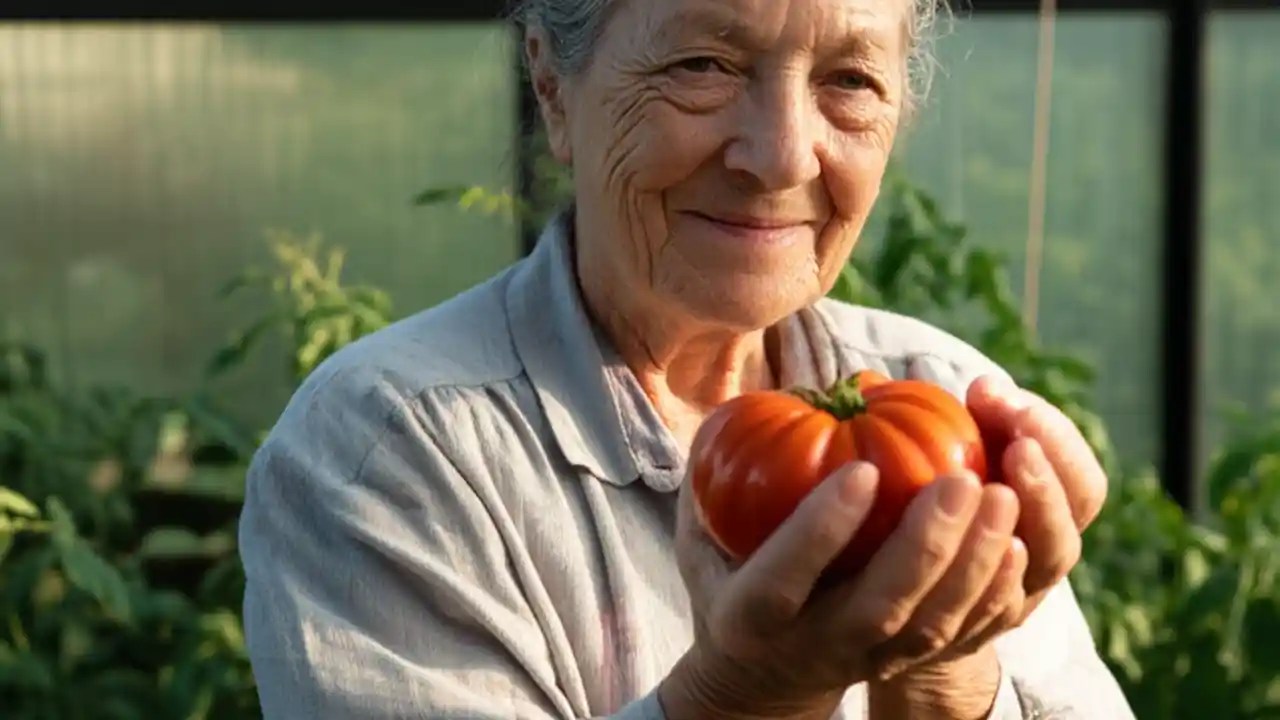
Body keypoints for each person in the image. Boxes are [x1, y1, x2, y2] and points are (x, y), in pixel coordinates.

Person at [238, 0, 1137, 717]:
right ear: (553, 86)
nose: (781, 156)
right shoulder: (394, 456)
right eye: (703, 66)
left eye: (850, 80)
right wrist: (744, 701)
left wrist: (949, 682)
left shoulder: (943, 399)